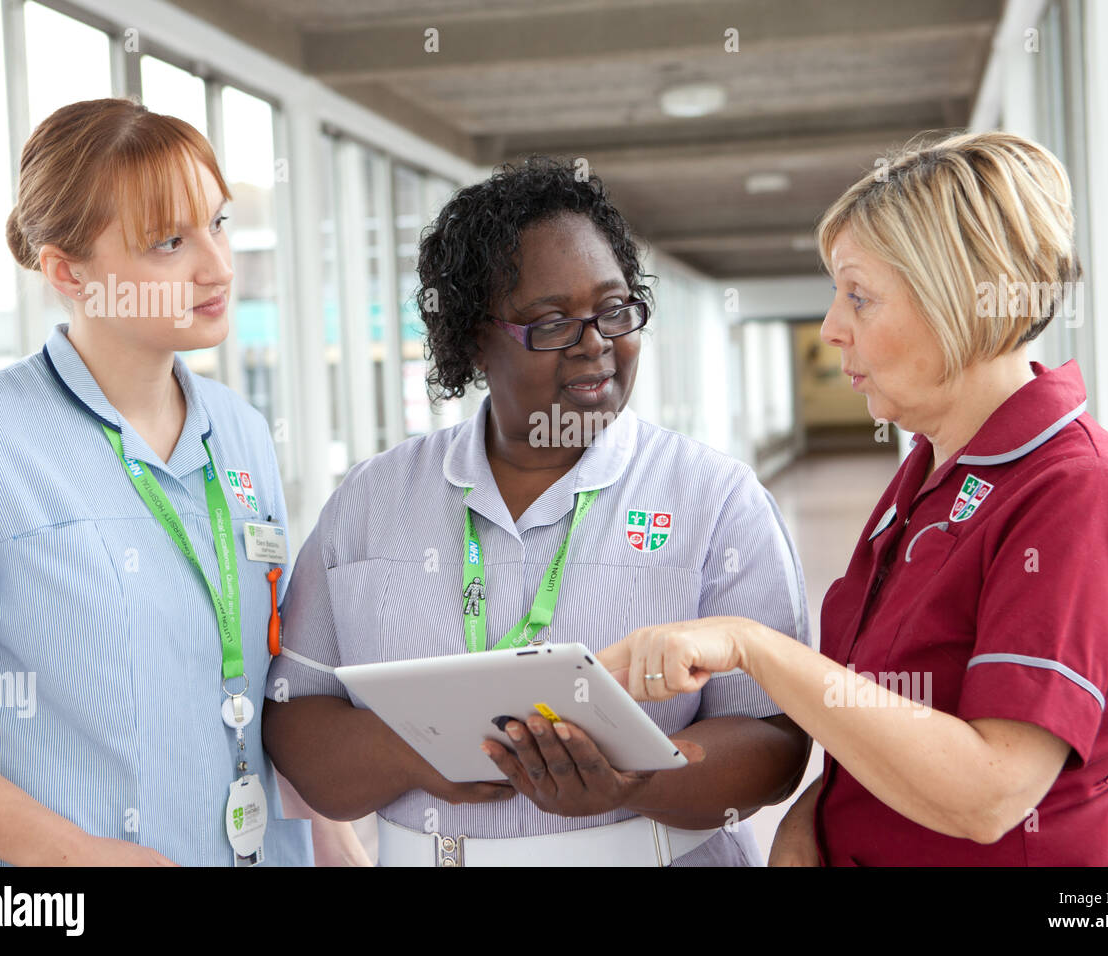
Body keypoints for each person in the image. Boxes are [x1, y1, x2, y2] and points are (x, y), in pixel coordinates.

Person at [599, 130, 1108, 867]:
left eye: (859, 296)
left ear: (959, 300)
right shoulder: (932, 467)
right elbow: (887, 726)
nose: (832, 328)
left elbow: (989, 793)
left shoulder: (1079, 491)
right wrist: (812, 820)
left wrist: (752, 647)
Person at [263, 156, 812, 866]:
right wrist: (421, 749)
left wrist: (633, 777)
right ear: (472, 340)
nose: (595, 345)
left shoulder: (717, 500)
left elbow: (776, 743)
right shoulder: (372, 501)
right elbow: (293, 717)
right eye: (551, 322)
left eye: (615, 310)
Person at [0, 98, 323, 866]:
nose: (216, 266)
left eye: (218, 223)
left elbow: (270, 673)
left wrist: (334, 832)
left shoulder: (240, 431)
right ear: (67, 270)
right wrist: (72, 856)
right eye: (169, 242)